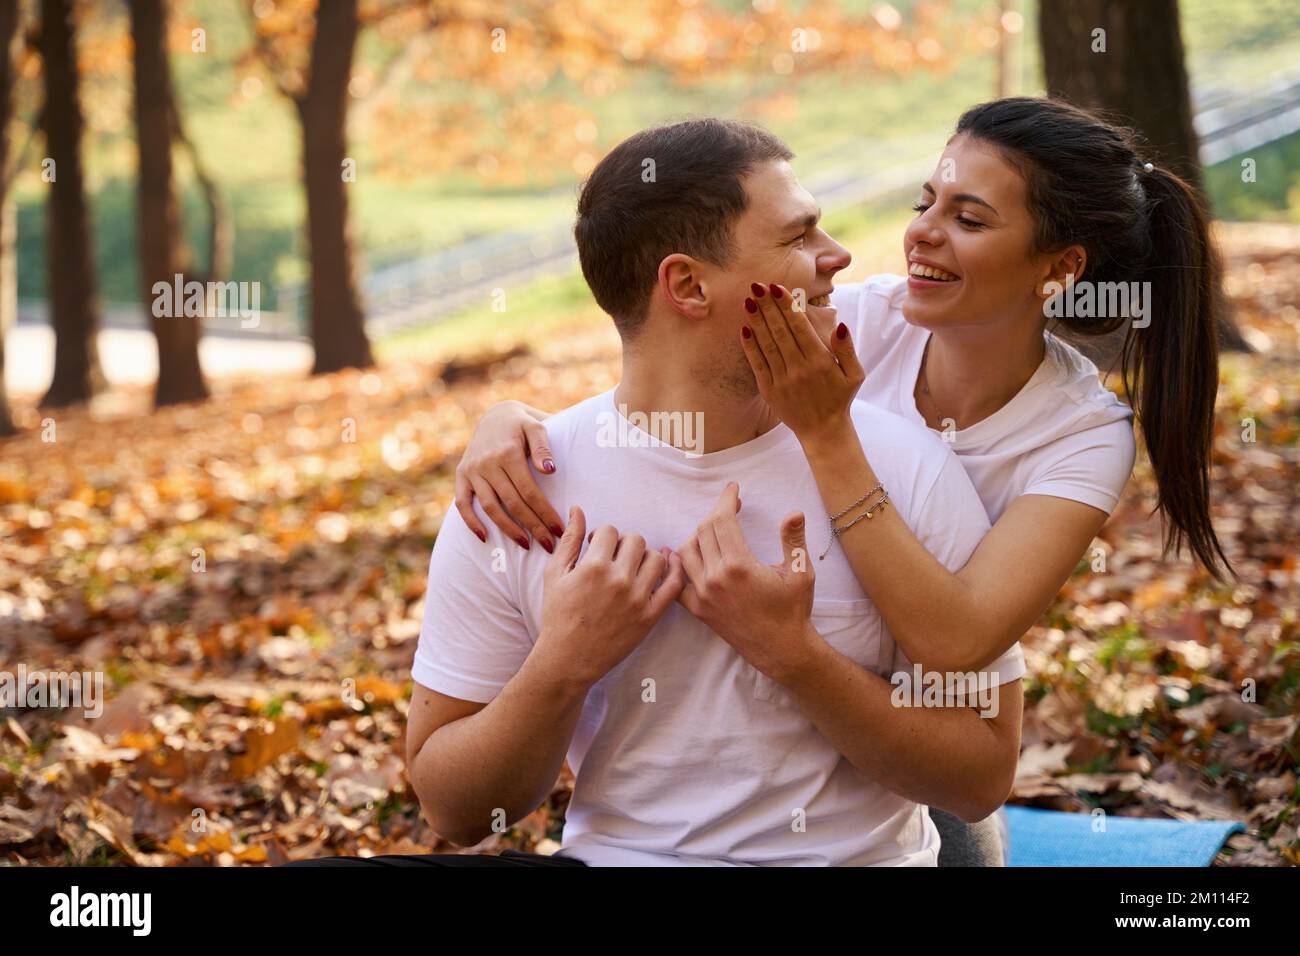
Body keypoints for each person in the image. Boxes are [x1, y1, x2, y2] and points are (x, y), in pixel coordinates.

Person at [449, 97, 1233, 865]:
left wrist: (827, 436)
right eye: (928, 201)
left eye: (969, 218)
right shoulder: (861, 316)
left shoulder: (1081, 433)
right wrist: (515, 421)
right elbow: (676, 359)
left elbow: (955, 644)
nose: (920, 233)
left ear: (1060, 270)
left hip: (916, 730)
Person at [288, 117, 1024, 867]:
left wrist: (794, 656)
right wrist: (561, 664)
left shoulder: (904, 466)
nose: (836, 258)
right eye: (800, 237)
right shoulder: (521, 490)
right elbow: (455, 809)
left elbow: (979, 779)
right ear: (687, 285)